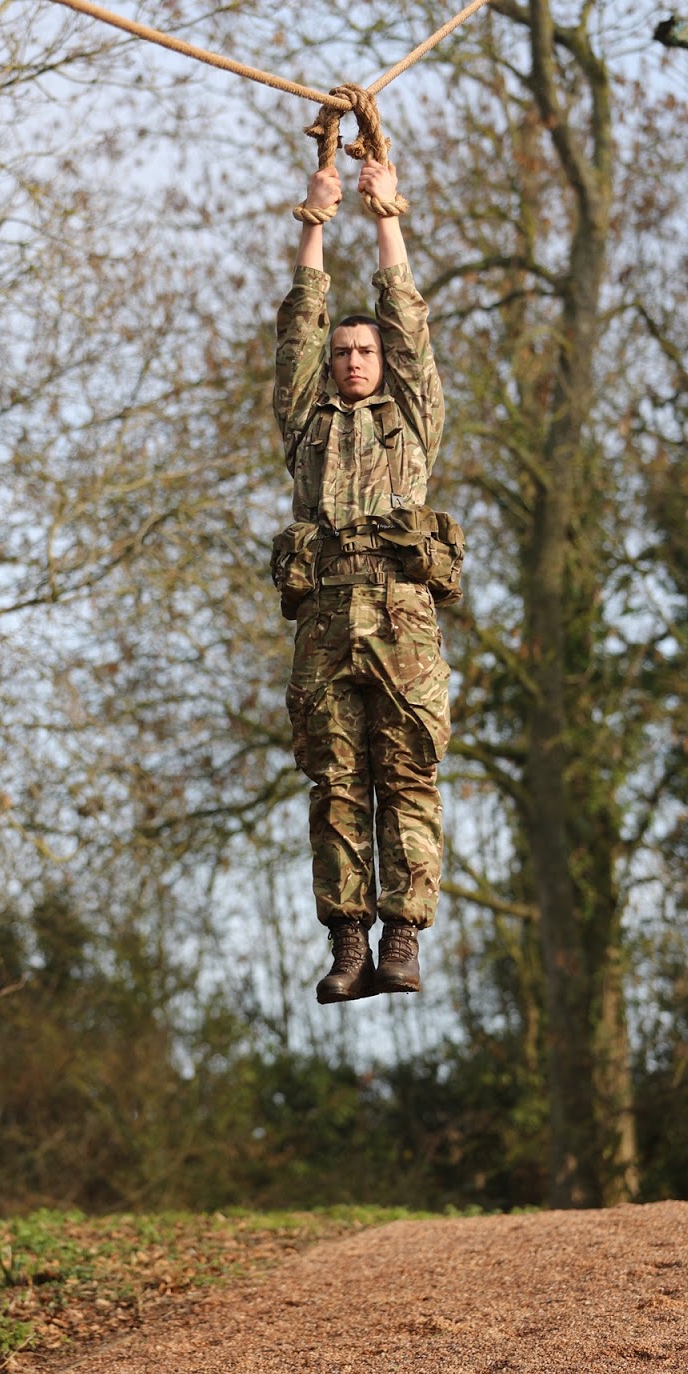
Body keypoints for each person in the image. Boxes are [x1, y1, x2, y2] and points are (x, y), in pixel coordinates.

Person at [272, 154, 453, 1004]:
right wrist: (313, 221)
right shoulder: (308, 421)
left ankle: (404, 935)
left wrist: (386, 214)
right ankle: (349, 942)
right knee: (336, 781)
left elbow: (408, 320)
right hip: (326, 621)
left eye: (363, 350)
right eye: (343, 351)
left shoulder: (410, 419)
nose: (351, 359)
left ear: (383, 362)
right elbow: (296, 330)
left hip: (403, 621)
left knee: (407, 774)